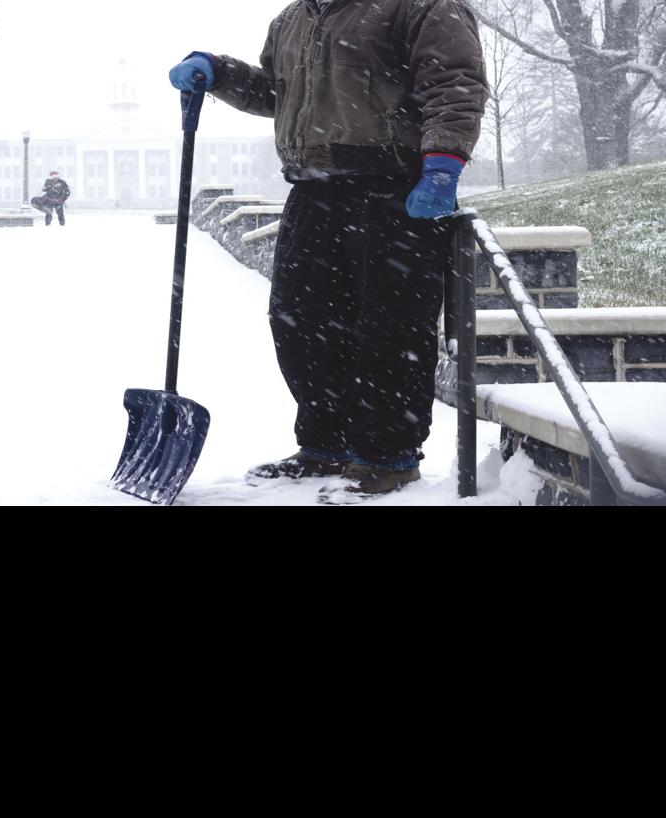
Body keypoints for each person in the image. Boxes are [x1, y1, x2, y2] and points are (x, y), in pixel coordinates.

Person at [169, 0, 485, 501]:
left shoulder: (422, 7)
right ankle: (325, 444)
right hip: (313, 190)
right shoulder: (294, 18)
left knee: (390, 328)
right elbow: (277, 93)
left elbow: (454, 85)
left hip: (393, 191)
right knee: (301, 320)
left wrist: (442, 165)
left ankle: (387, 458)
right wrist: (220, 72)